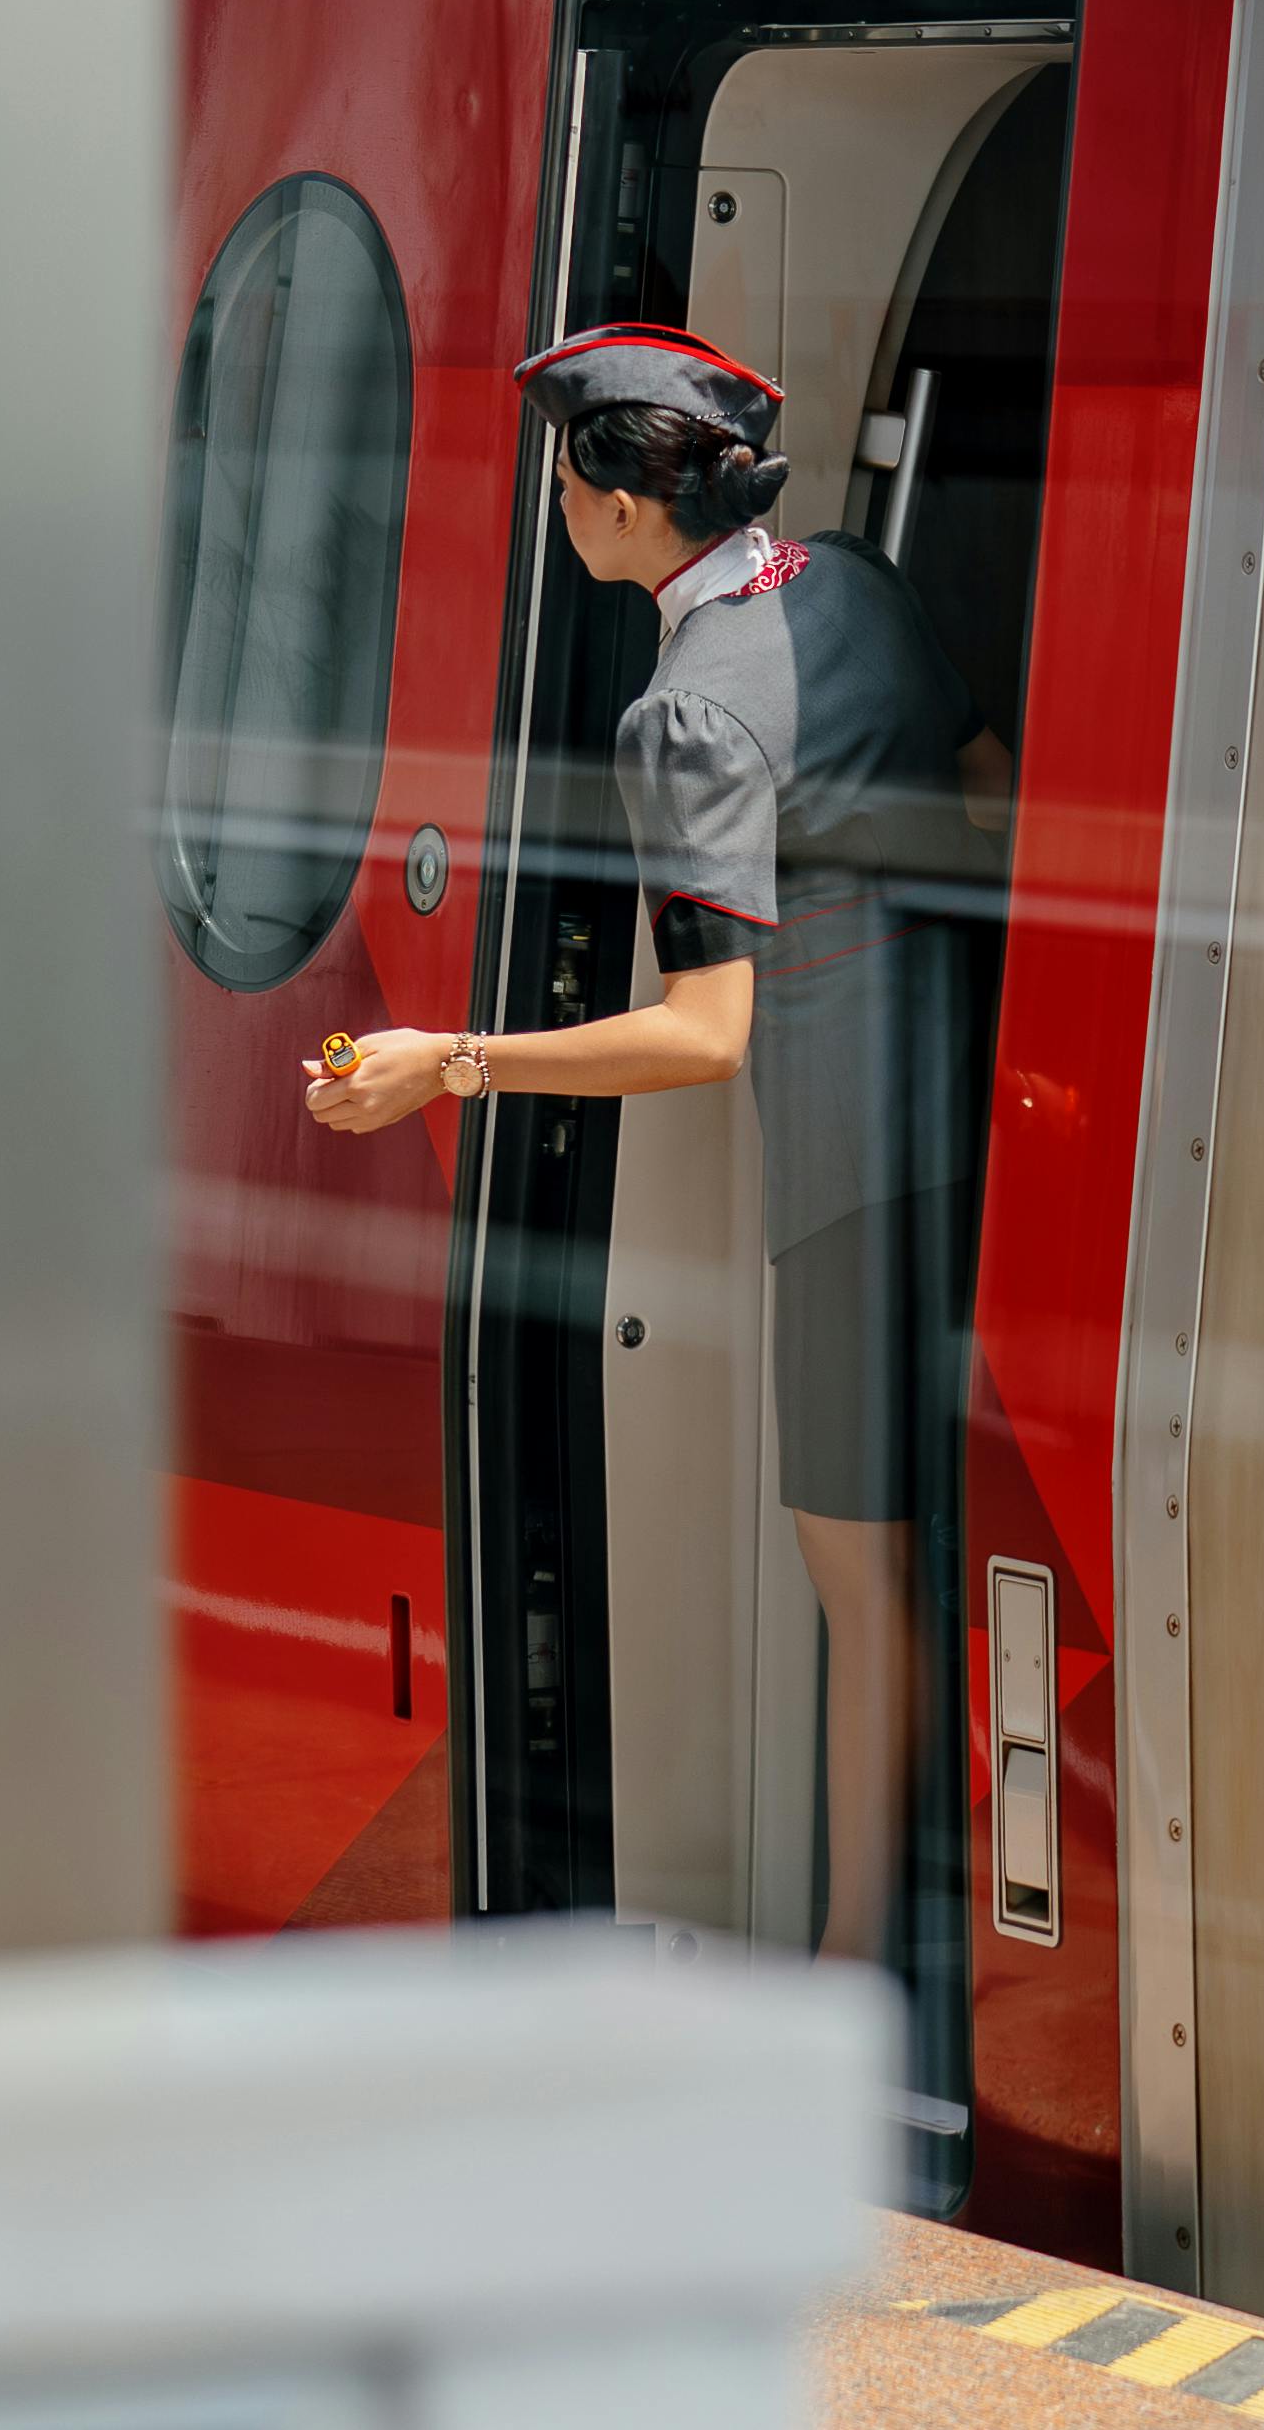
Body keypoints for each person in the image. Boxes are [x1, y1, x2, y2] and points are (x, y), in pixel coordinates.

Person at [302, 321, 1007, 1962]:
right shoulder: (849, 586)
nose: (558, 503)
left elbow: (704, 1034)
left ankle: (860, 1981)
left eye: (568, 481)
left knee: (862, 1586)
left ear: (622, 510)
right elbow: (990, 791)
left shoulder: (684, 719)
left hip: (846, 1167)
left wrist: (449, 1064)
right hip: (970, 1111)